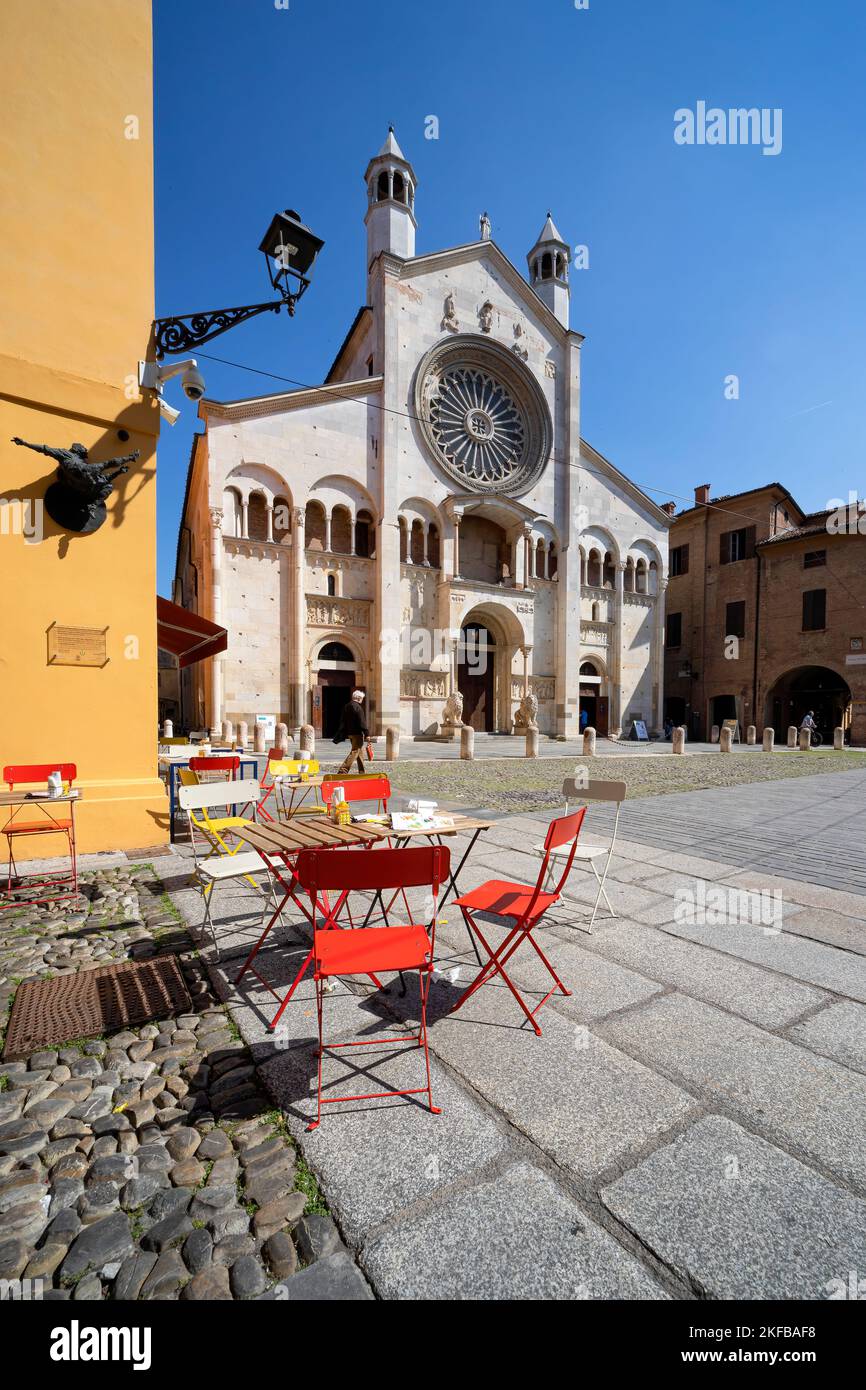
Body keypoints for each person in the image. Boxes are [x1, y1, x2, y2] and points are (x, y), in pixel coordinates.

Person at [337, 689, 369, 774]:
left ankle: (362, 771)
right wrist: (367, 734)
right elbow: (362, 722)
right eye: (362, 698)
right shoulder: (358, 707)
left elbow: (343, 720)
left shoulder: (347, 706)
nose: (362, 700)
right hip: (357, 733)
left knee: (360, 752)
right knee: (355, 751)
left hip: (350, 733)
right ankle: (343, 771)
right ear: (358, 698)